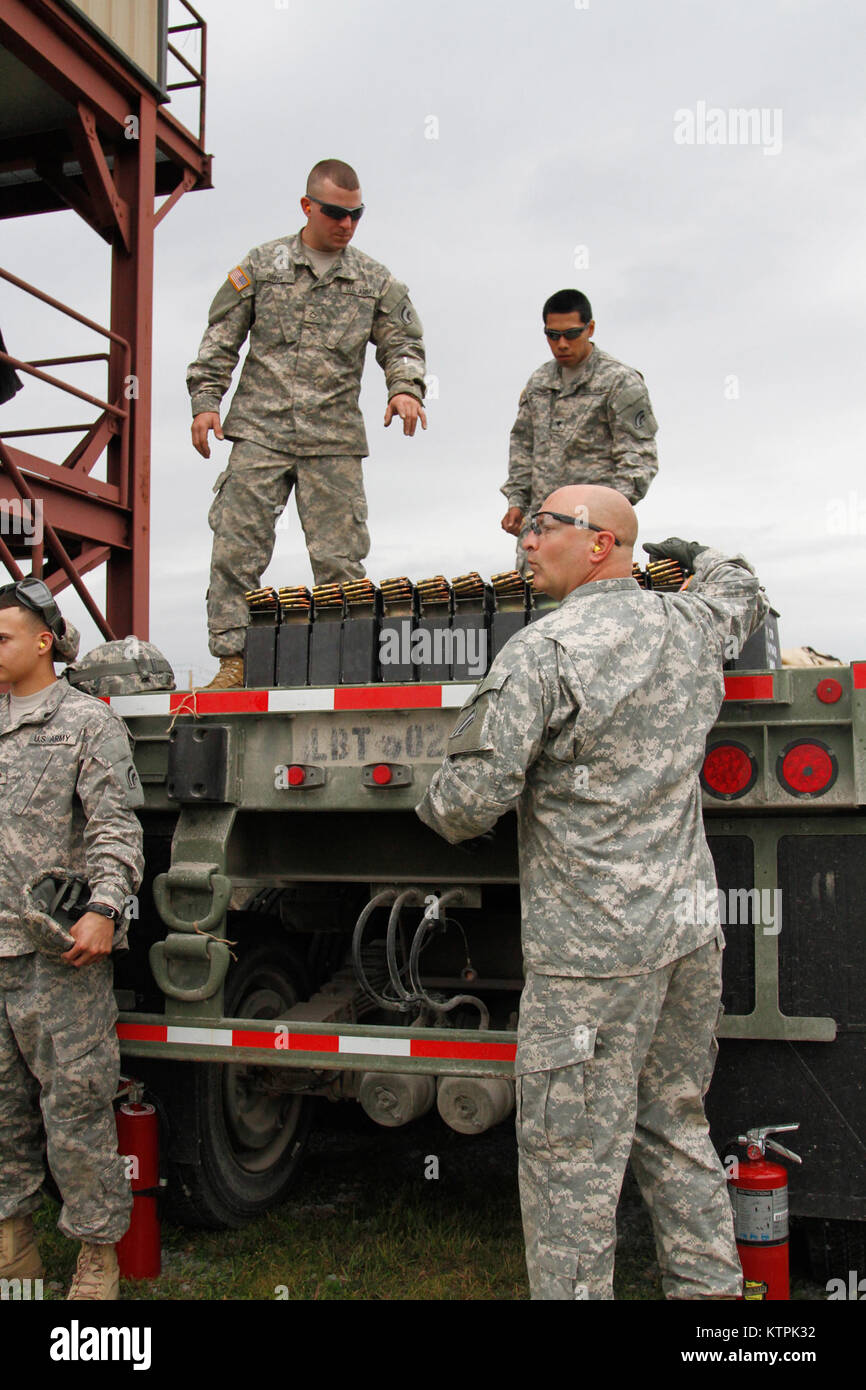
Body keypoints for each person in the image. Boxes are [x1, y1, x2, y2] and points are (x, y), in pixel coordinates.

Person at [416, 484, 768, 1300]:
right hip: (685, 936)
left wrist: (426, 800)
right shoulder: (688, 625)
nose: (527, 542)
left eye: (545, 528)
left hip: (591, 961)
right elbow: (742, 591)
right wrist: (702, 556)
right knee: (676, 1125)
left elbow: (469, 805)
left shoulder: (545, 651)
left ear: (602, 544)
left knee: (569, 1165)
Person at [187, 157, 428, 689]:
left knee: (340, 561)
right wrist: (206, 400)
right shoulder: (262, 266)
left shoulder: (374, 281)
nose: (346, 224)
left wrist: (405, 389)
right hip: (259, 431)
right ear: (307, 207)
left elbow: (403, 343)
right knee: (236, 547)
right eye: (335, 213)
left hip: (333, 439)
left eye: (356, 214)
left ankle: (346, 662)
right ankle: (235, 660)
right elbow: (220, 338)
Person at [0, 579, 144, 1300]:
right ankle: (11, 1242)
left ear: (43, 642)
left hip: (57, 955)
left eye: (2, 636)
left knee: (77, 1106)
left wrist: (106, 907)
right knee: (1, 1112)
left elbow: (117, 827)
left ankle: (95, 1253)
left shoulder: (87, 724)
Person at [501, 290, 658, 573]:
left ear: (591, 328)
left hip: (592, 542)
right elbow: (522, 448)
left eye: (572, 334)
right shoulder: (539, 382)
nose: (561, 344)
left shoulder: (620, 382)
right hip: (539, 536)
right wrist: (516, 503)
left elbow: (639, 461)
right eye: (552, 335)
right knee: (531, 614)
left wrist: (597, 516)